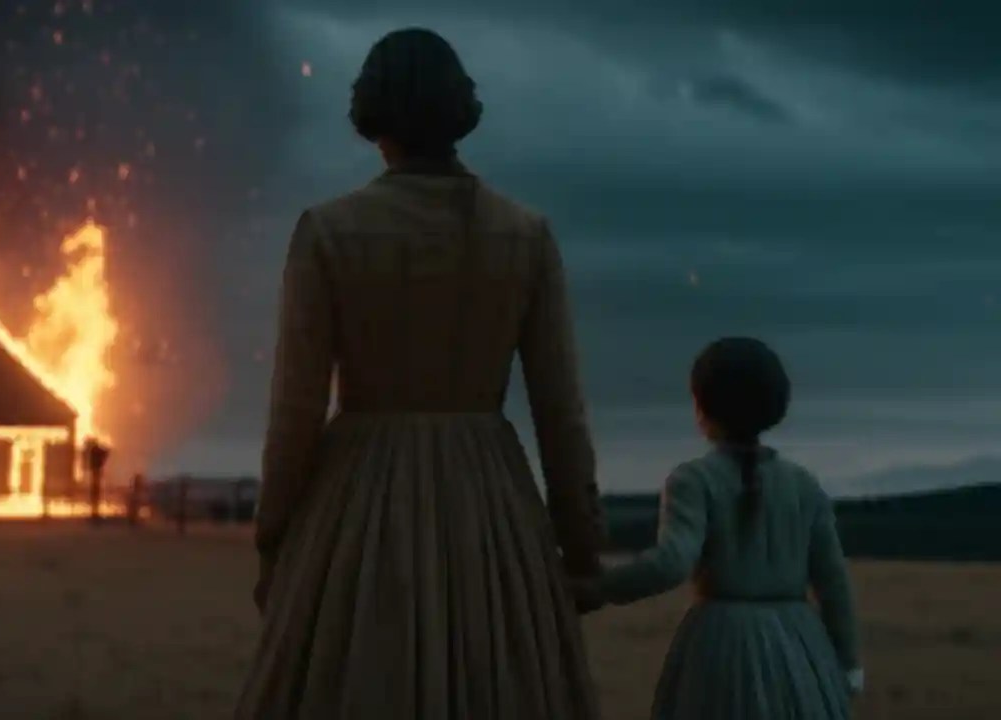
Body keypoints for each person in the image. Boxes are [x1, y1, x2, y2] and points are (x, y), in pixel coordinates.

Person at [235, 27, 605, 719]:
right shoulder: (525, 235)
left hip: (357, 511)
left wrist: (275, 542)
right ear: (458, 110)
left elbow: (295, 411)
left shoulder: (328, 231)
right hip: (490, 510)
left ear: (373, 113)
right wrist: (581, 552)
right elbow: (563, 418)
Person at [581, 337, 863, 719]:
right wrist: (847, 664)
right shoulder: (803, 485)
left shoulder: (693, 480)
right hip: (800, 648)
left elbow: (670, 564)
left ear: (701, 405)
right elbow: (833, 583)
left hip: (721, 650)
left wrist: (595, 588)